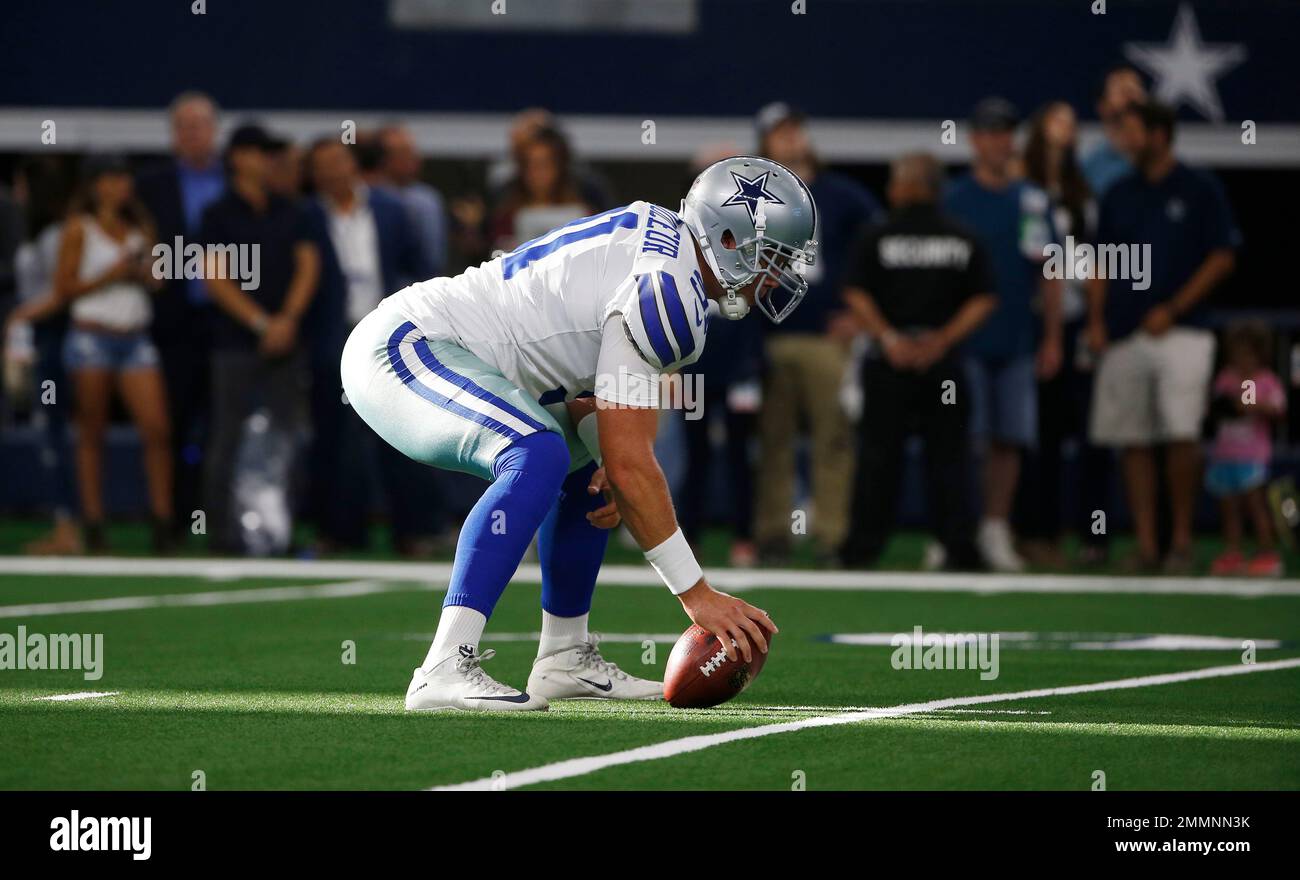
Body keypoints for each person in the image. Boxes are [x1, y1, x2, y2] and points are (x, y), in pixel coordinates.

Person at [341, 156, 814, 711]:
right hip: (405, 347)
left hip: (454, 355)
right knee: (535, 451)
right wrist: (696, 594)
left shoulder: (666, 254)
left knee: (592, 465)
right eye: (773, 257)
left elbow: (603, 405)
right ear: (729, 238)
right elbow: (636, 461)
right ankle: (443, 665)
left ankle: (563, 656)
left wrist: (612, 461)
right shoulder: (666, 288)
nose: (776, 276)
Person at [1087, 100, 1239, 574]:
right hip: (1125, 333)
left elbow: (1223, 255)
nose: (1123, 141)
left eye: (1130, 131)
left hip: (1184, 332)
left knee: (1180, 435)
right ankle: (1148, 545)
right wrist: (1096, 321)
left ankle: (1182, 542)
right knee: (1131, 439)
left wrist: (1174, 309)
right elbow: (1101, 262)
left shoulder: (1199, 188)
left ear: (1158, 134)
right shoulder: (1118, 193)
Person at [840, 153, 996, 569]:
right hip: (940, 365)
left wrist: (890, 338)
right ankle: (959, 549)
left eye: (896, 180)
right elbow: (983, 297)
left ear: (915, 185)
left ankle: (862, 549)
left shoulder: (877, 235)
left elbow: (855, 291)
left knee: (877, 456)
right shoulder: (962, 237)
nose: (891, 189)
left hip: (889, 360)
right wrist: (941, 340)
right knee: (949, 457)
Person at [751, 102, 883, 566]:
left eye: (793, 130)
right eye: (777, 133)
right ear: (764, 143)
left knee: (834, 439)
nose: (788, 140)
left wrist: (860, 314)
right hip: (770, 336)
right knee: (773, 441)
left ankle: (832, 536)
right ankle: (772, 535)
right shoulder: (748, 199)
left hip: (830, 339)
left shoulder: (842, 195)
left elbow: (879, 251)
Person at [303, 138, 440, 555]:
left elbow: (420, 269)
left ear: (353, 164)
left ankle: (413, 532)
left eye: (337, 161)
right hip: (332, 338)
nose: (331, 171)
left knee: (400, 433)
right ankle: (339, 533)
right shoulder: (306, 216)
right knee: (335, 439)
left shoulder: (391, 210)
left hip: (386, 338)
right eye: (321, 165)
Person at [944, 97, 1063, 572]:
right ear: (974, 139)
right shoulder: (953, 199)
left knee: (1009, 438)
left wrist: (1052, 337)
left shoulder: (1032, 199)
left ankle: (995, 528)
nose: (1000, 141)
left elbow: (1049, 272)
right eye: (991, 132)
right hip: (962, 340)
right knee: (963, 439)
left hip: (1015, 338)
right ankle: (956, 531)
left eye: (1006, 132)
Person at [200, 124, 320, 553]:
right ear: (237, 158)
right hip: (235, 342)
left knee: (287, 435)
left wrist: (286, 320)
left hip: (286, 343)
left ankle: (277, 532)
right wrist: (261, 324)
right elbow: (214, 276)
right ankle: (223, 535)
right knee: (226, 437)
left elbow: (308, 265)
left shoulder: (292, 210)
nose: (268, 161)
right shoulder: (218, 214)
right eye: (258, 152)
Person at [52, 155, 173, 553]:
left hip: (135, 336)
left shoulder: (140, 225)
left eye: (124, 179)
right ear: (95, 185)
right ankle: (94, 523)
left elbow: (157, 280)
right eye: (113, 179)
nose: (122, 186)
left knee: (156, 428)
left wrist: (146, 274)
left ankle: (162, 522)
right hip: (93, 338)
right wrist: (113, 273)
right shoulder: (79, 229)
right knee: (92, 431)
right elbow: (64, 288)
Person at [1016, 101, 1108, 567]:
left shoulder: (1080, 191)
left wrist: (1093, 321)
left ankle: (1090, 536)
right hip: (1022, 320)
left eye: (1072, 123)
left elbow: (1093, 263)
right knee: (1030, 432)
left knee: (1083, 427)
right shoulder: (1019, 185)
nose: (1064, 130)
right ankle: (1030, 533)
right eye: (1055, 120)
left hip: (1068, 319)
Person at [135, 91, 225, 542]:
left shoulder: (234, 179)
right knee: (168, 423)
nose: (193, 135)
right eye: (184, 127)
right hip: (170, 320)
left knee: (220, 426)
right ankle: (168, 520)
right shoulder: (149, 184)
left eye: (200, 126)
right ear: (174, 135)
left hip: (226, 323)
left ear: (215, 131)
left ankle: (215, 522)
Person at [1205, 322, 1286, 577]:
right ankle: (1233, 553)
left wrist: (1251, 405)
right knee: (1229, 509)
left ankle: (1267, 553)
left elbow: (1276, 409)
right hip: (1224, 455)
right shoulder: (1226, 378)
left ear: (1260, 355)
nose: (1242, 359)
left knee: (1256, 505)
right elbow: (1216, 408)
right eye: (1237, 353)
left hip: (1252, 457)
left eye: (1248, 354)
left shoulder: (1265, 381)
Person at [489, 125, 592, 253]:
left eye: (544, 164)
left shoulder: (586, 215)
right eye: (530, 164)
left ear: (559, 166)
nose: (537, 173)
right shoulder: (506, 218)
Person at [375, 124, 449, 282]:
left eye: (412, 152)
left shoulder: (429, 199)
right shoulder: (370, 199)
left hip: (423, 285)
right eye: (402, 153)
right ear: (383, 158)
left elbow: (435, 255)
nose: (412, 159)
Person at [1080, 64, 1147, 200]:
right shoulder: (1087, 169)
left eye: (1134, 90)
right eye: (1122, 91)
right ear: (1101, 106)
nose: (1131, 96)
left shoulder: (1163, 159)